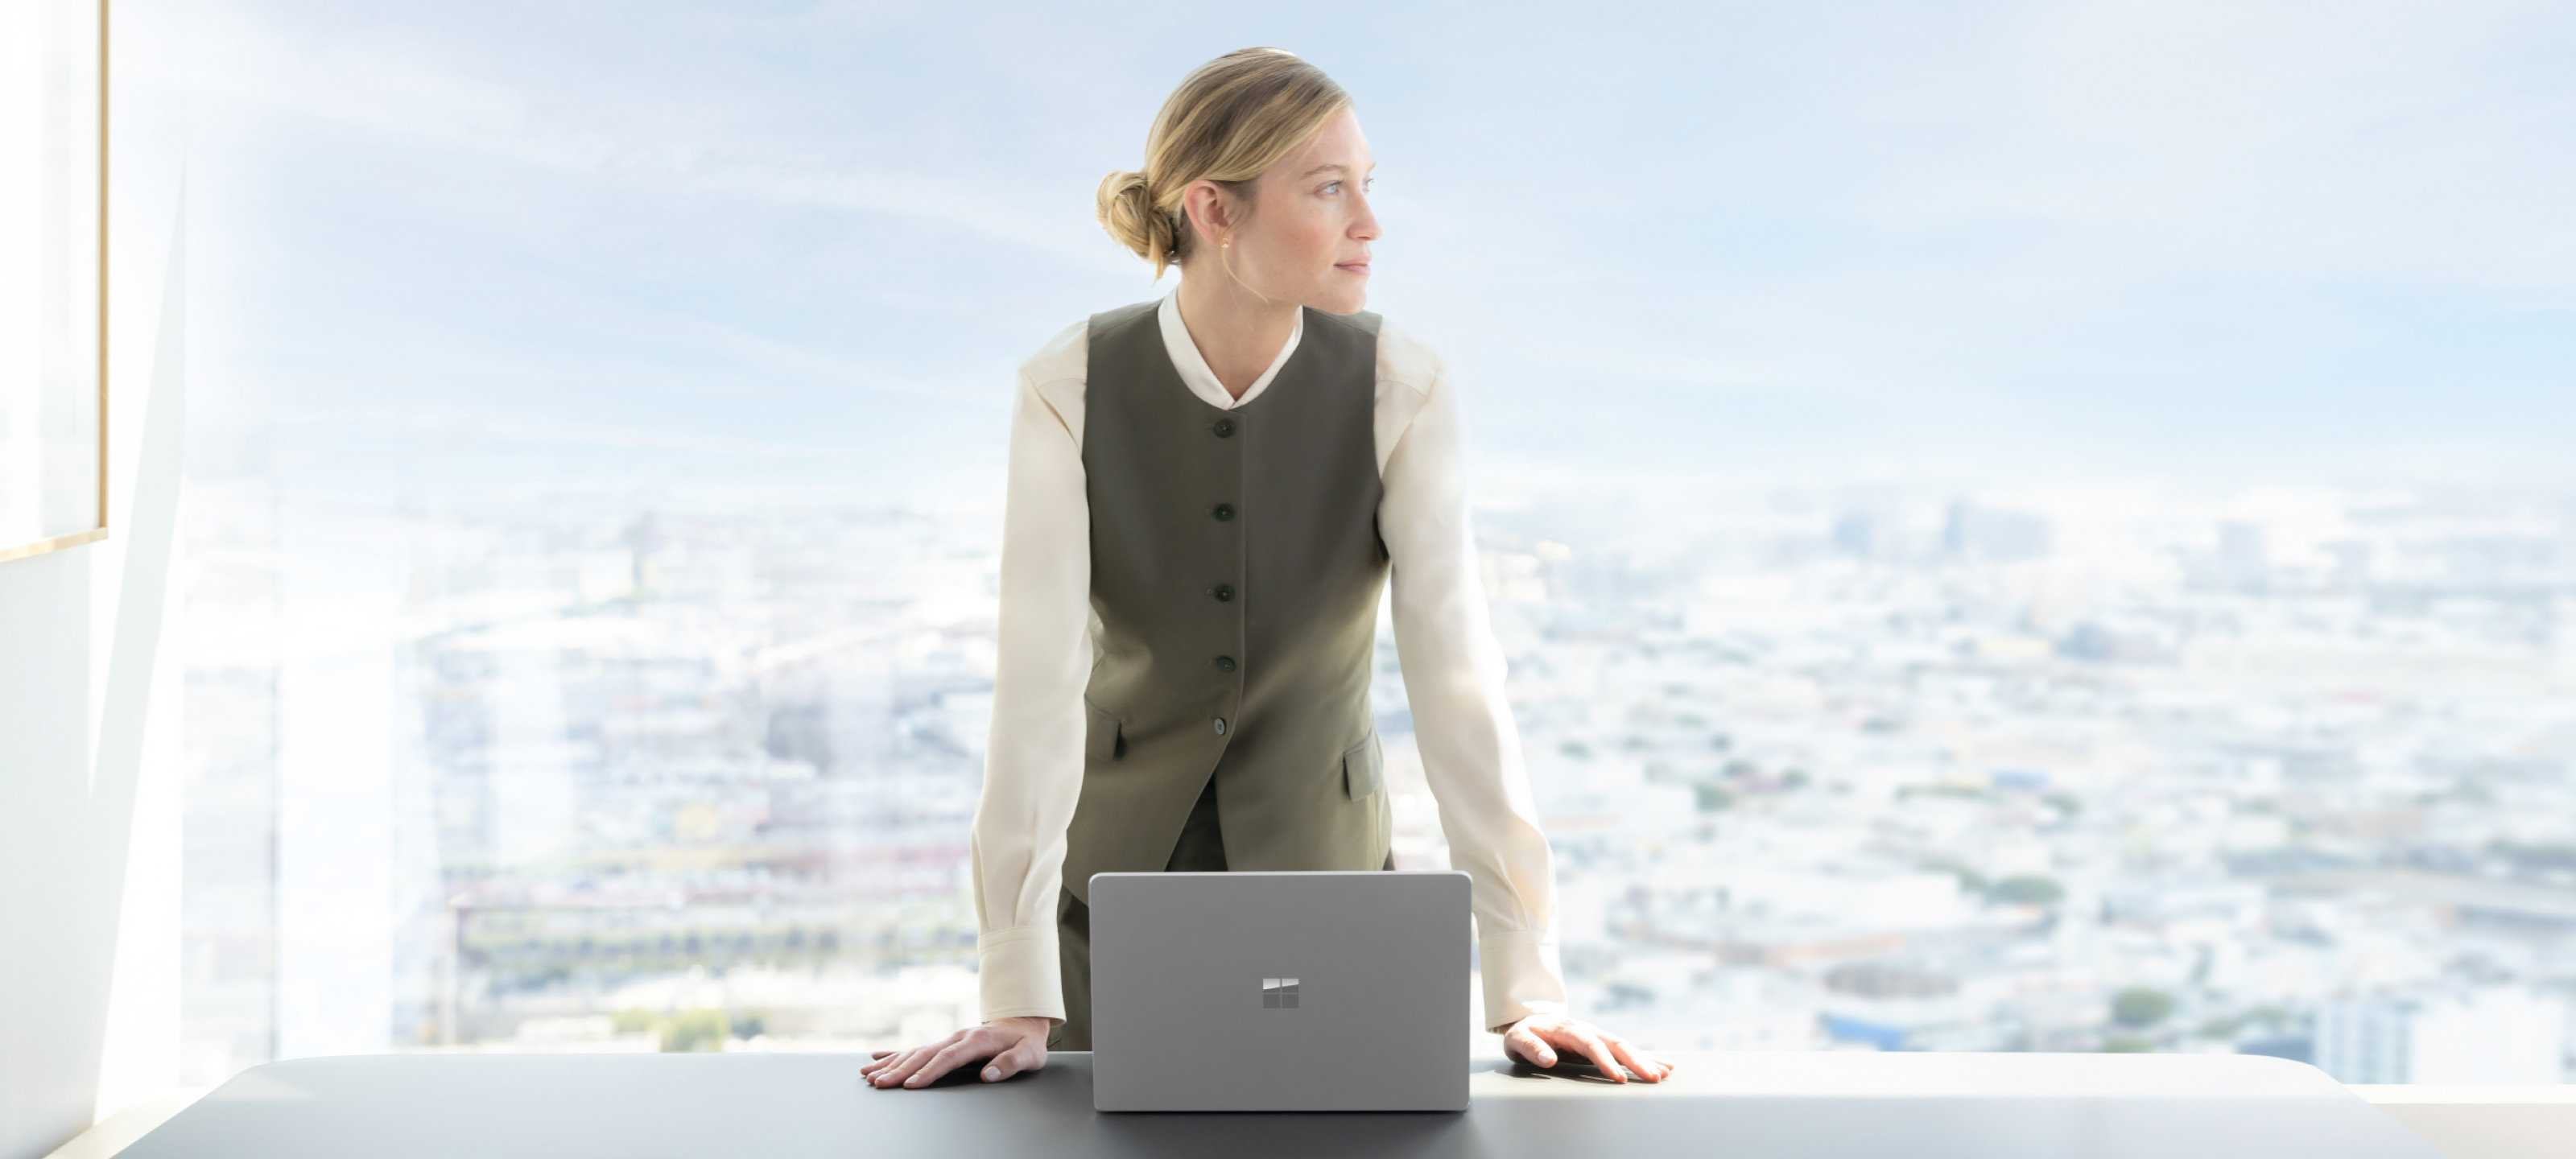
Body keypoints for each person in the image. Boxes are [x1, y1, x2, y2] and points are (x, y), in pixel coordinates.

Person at [864, 46, 1673, 1091]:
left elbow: (1461, 688)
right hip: (1108, 907)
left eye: (1367, 187)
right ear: (1215, 210)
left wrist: (1528, 984)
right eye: (1330, 190)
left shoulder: (1401, 386)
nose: (1368, 226)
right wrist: (1015, 986)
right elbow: (1033, 690)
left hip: (1331, 895)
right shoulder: (1067, 384)